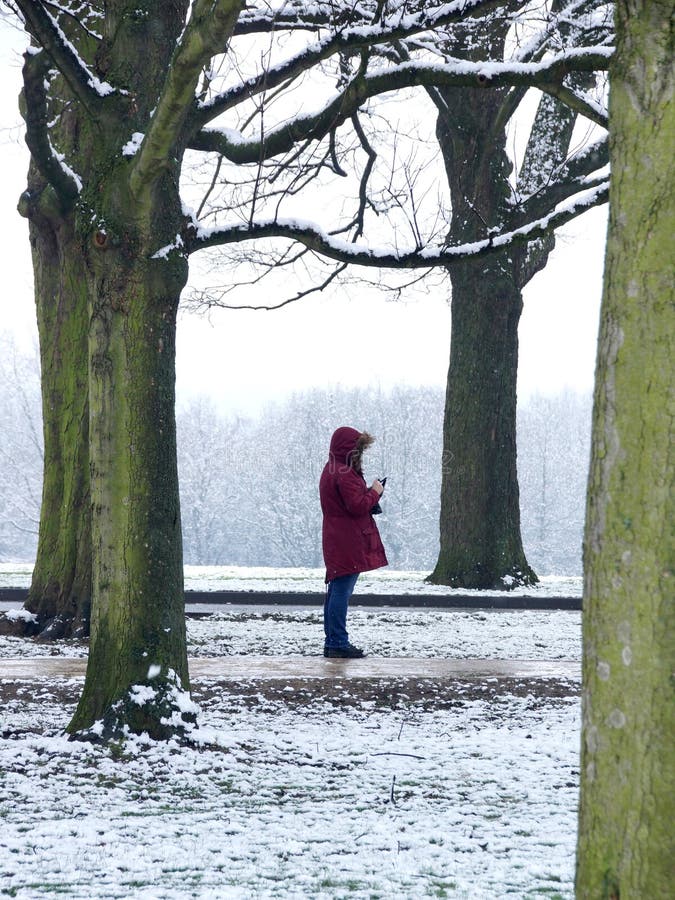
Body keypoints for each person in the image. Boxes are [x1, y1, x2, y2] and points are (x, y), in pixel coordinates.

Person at [319, 426, 388, 658]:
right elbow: (356, 506)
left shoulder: (331, 470)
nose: (360, 455)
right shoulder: (345, 473)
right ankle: (338, 642)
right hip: (348, 540)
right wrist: (375, 492)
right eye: (358, 449)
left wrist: (367, 494)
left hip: (337, 537)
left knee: (336, 590)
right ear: (349, 450)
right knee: (341, 591)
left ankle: (333, 641)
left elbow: (350, 501)